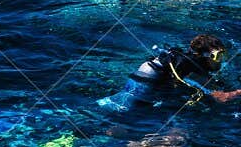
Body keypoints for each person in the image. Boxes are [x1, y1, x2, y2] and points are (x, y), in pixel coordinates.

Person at [99, 34, 230, 112]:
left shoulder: (180, 59)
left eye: (223, 55)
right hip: (148, 83)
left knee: (120, 101)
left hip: (140, 77)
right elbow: (220, 97)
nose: (220, 61)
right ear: (204, 55)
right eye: (218, 56)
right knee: (124, 111)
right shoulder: (190, 67)